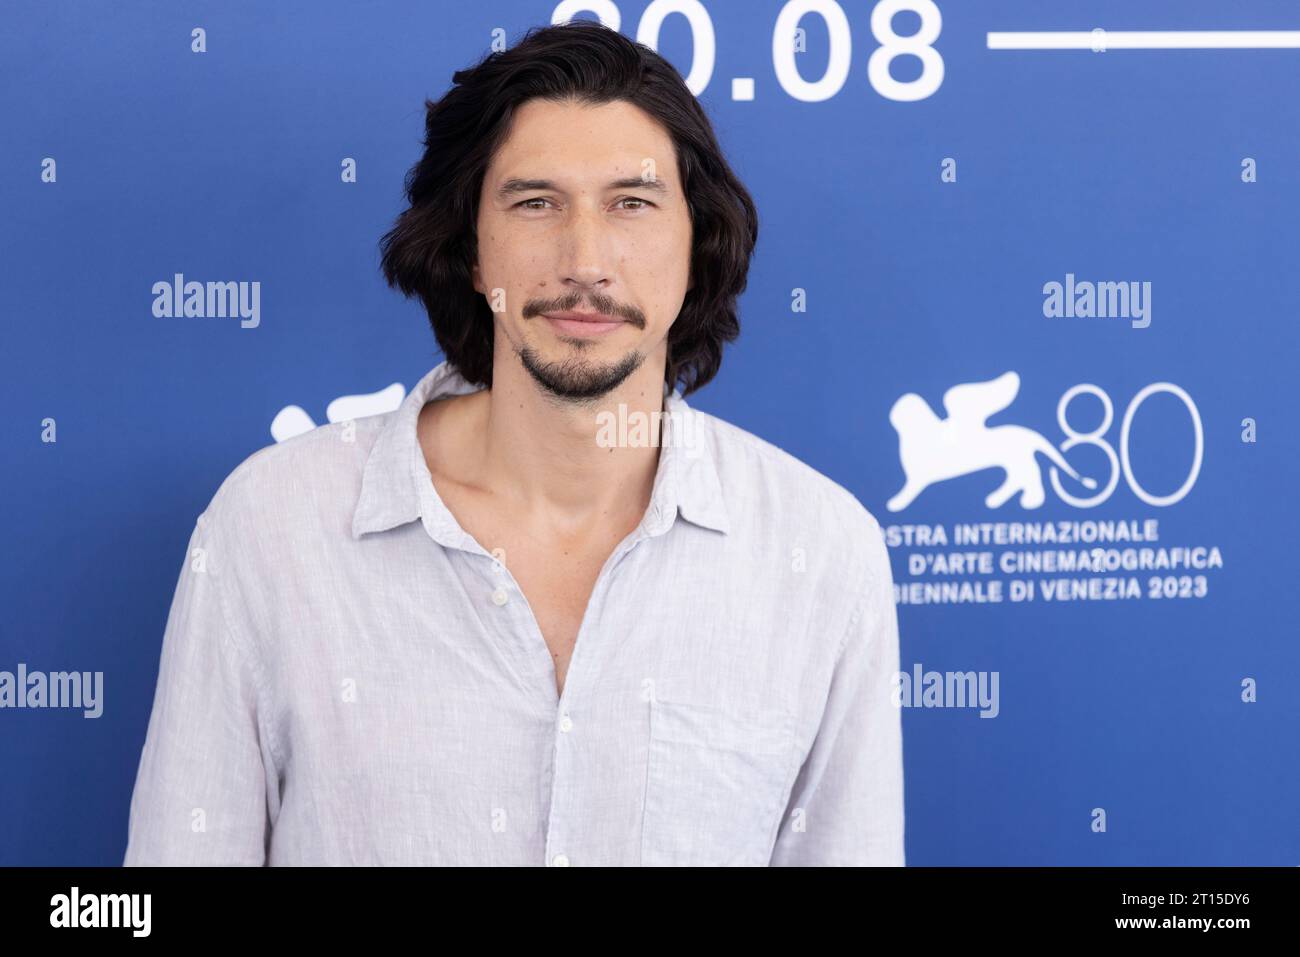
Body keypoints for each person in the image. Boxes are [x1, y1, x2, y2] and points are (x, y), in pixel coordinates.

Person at [123, 19, 903, 866]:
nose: (585, 259)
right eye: (536, 203)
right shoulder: (271, 528)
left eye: (632, 203)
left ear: (695, 243)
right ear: (468, 247)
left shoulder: (822, 554)